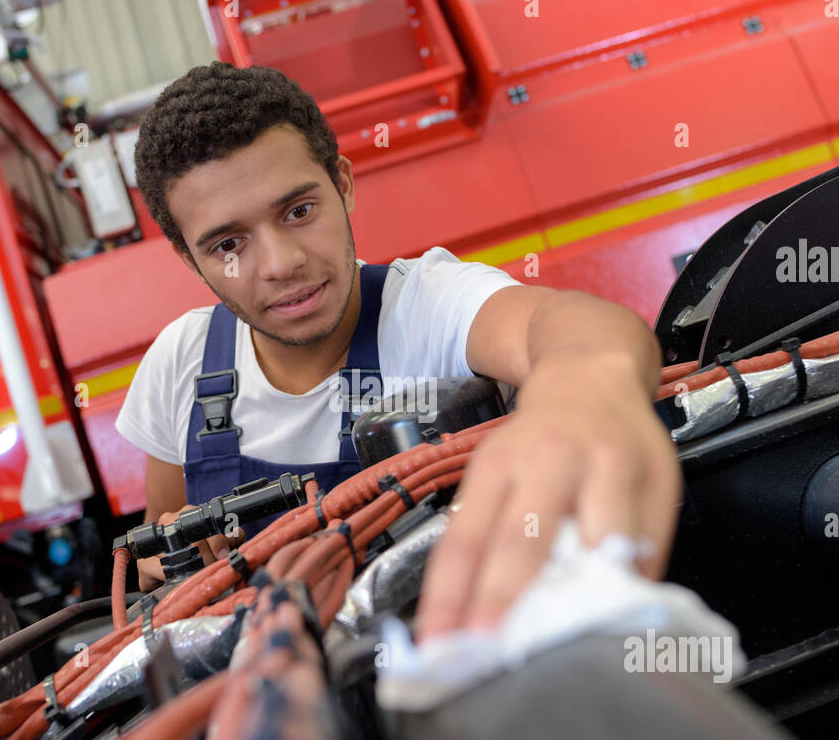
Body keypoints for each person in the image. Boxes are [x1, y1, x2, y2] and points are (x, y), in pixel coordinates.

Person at [116, 62, 680, 639]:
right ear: (190, 258)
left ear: (343, 184)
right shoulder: (181, 365)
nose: (282, 263)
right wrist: (170, 559)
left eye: (299, 211)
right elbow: (157, 547)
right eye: (229, 244)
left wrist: (584, 393)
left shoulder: (425, 306)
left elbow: (567, 326)